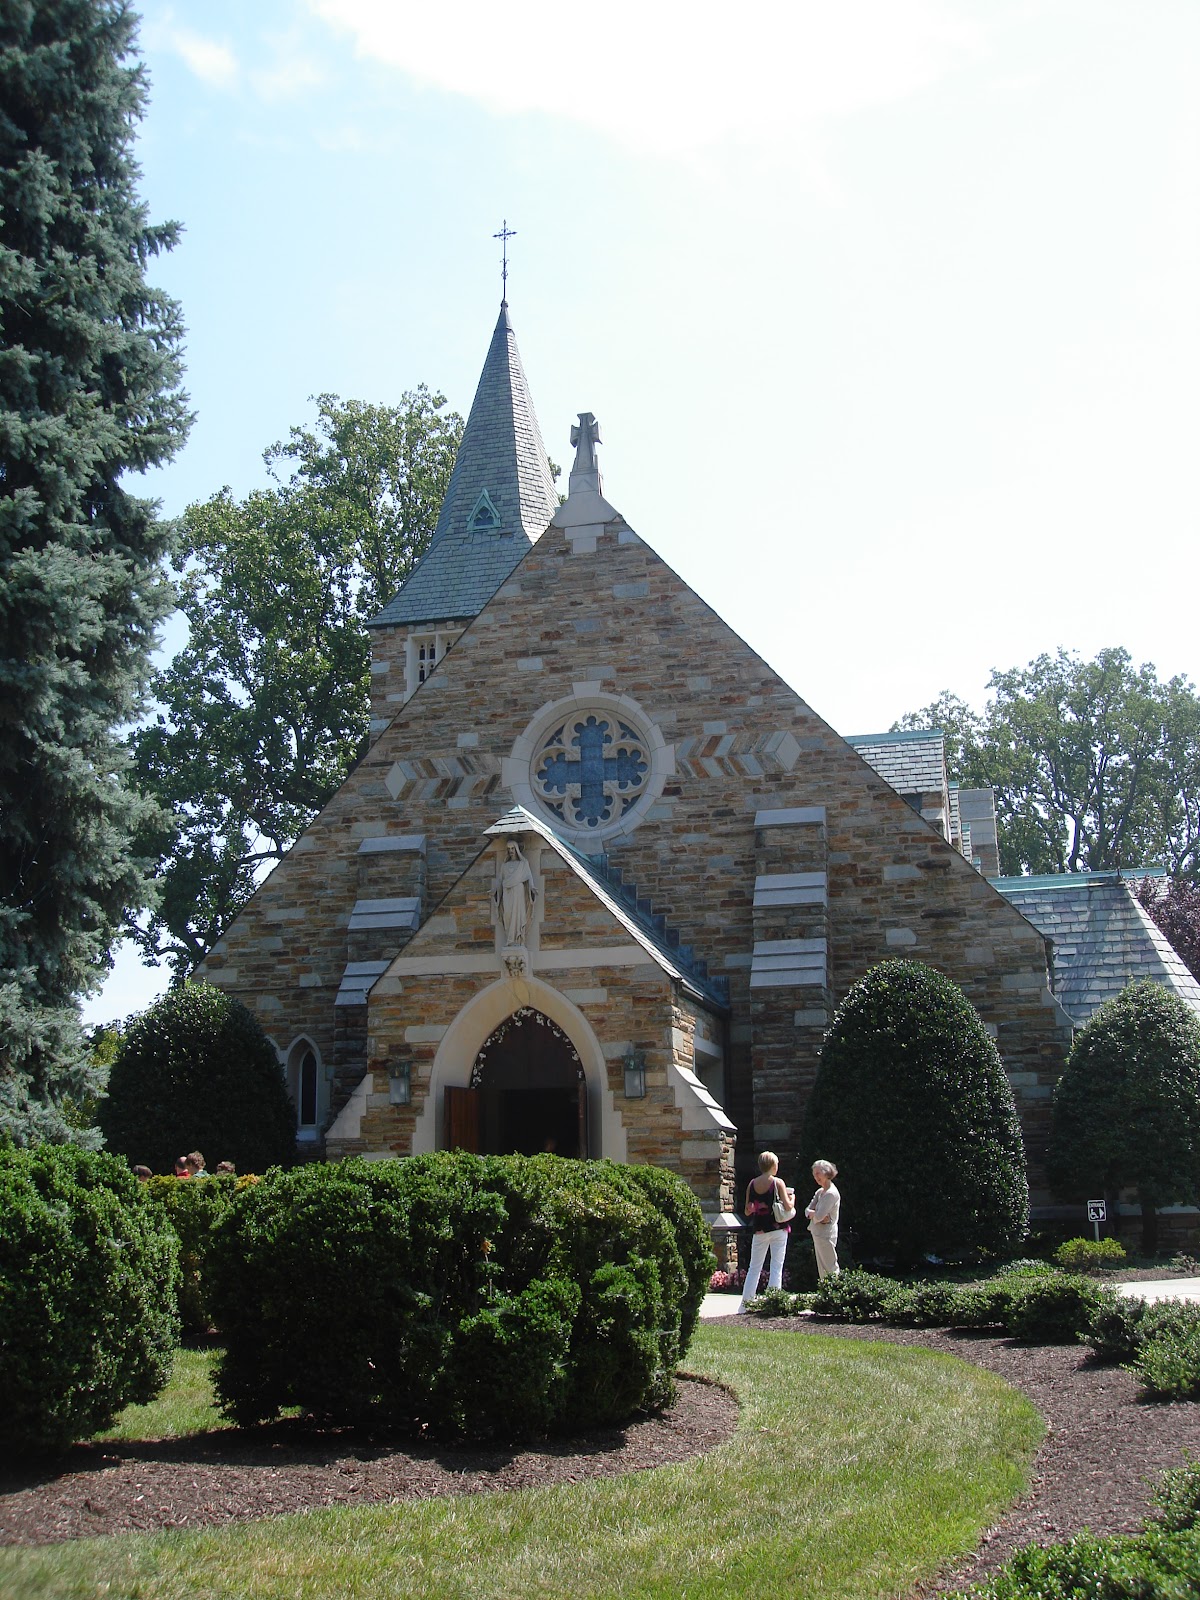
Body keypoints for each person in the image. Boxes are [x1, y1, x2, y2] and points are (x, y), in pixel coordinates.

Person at [737, 1151, 795, 1312]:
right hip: (777, 1228)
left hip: (759, 1230)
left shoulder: (752, 1184)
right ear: (773, 1165)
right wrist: (792, 1199)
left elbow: (747, 1210)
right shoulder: (777, 1182)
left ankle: (745, 1305)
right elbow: (788, 1206)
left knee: (754, 1267)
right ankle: (773, 1303)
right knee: (776, 1266)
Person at [495, 839, 536, 946]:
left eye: (513, 848)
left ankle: (517, 939)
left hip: (518, 891)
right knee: (507, 915)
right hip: (506, 892)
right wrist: (495, 890)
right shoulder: (504, 866)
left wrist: (532, 888)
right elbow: (500, 880)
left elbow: (529, 877)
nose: (511, 851)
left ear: (517, 849)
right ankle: (509, 938)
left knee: (517, 915)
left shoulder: (523, 864)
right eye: (509, 849)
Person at [805, 1159, 841, 1280]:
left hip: (826, 1235)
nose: (816, 1177)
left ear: (826, 1173)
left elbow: (819, 1216)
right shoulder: (820, 1192)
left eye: (818, 1173)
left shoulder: (831, 1193)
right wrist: (813, 1214)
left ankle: (836, 1289)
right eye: (814, 1174)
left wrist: (815, 1215)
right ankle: (825, 1290)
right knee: (822, 1269)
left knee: (830, 1267)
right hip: (817, 1233)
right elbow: (808, 1211)